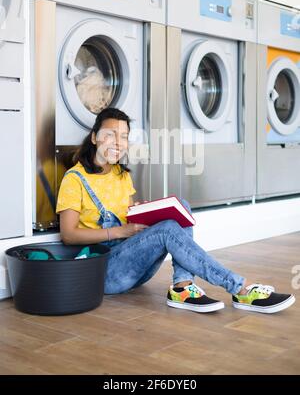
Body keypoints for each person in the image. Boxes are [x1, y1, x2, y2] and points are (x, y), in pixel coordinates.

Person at [56, 108, 295, 314]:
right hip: (105, 273)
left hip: (133, 267)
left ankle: (182, 286)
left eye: (124, 137)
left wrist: (139, 212)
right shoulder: (74, 178)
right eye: (111, 135)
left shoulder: (121, 174)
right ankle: (240, 289)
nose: (118, 143)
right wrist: (121, 231)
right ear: (95, 137)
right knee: (168, 229)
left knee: (181, 207)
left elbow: (127, 216)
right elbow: (69, 235)